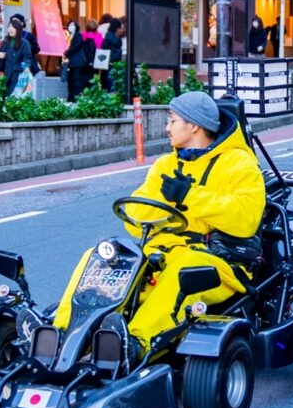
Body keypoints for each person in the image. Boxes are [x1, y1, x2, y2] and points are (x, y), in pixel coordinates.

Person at [52, 91, 266, 353]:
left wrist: (190, 197)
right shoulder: (166, 164)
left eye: (172, 120)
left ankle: (136, 344)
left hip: (219, 260)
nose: (167, 127)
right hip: (162, 251)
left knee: (184, 269)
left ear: (194, 125)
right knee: (100, 257)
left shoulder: (240, 164)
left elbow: (245, 219)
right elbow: (135, 215)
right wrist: (168, 207)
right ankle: (63, 332)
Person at [0, 21, 35, 96]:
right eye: (9, 27)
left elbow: (28, 58)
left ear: (18, 29)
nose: (10, 29)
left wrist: (26, 67)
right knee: (6, 96)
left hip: (19, 75)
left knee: (16, 97)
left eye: (13, 27)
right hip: (7, 74)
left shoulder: (25, 43)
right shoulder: (6, 41)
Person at [63, 20, 94, 100]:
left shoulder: (78, 35)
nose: (71, 26)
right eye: (69, 24)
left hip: (78, 62)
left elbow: (75, 47)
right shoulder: (70, 36)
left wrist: (66, 53)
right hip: (73, 62)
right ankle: (71, 97)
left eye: (73, 24)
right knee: (71, 80)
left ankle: (74, 97)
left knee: (76, 80)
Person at [101, 19, 125, 91]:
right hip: (111, 61)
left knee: (112, 79)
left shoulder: (110, 35)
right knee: (111, 80)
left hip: (112, 61)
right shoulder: (110, 35)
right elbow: (106, 46)